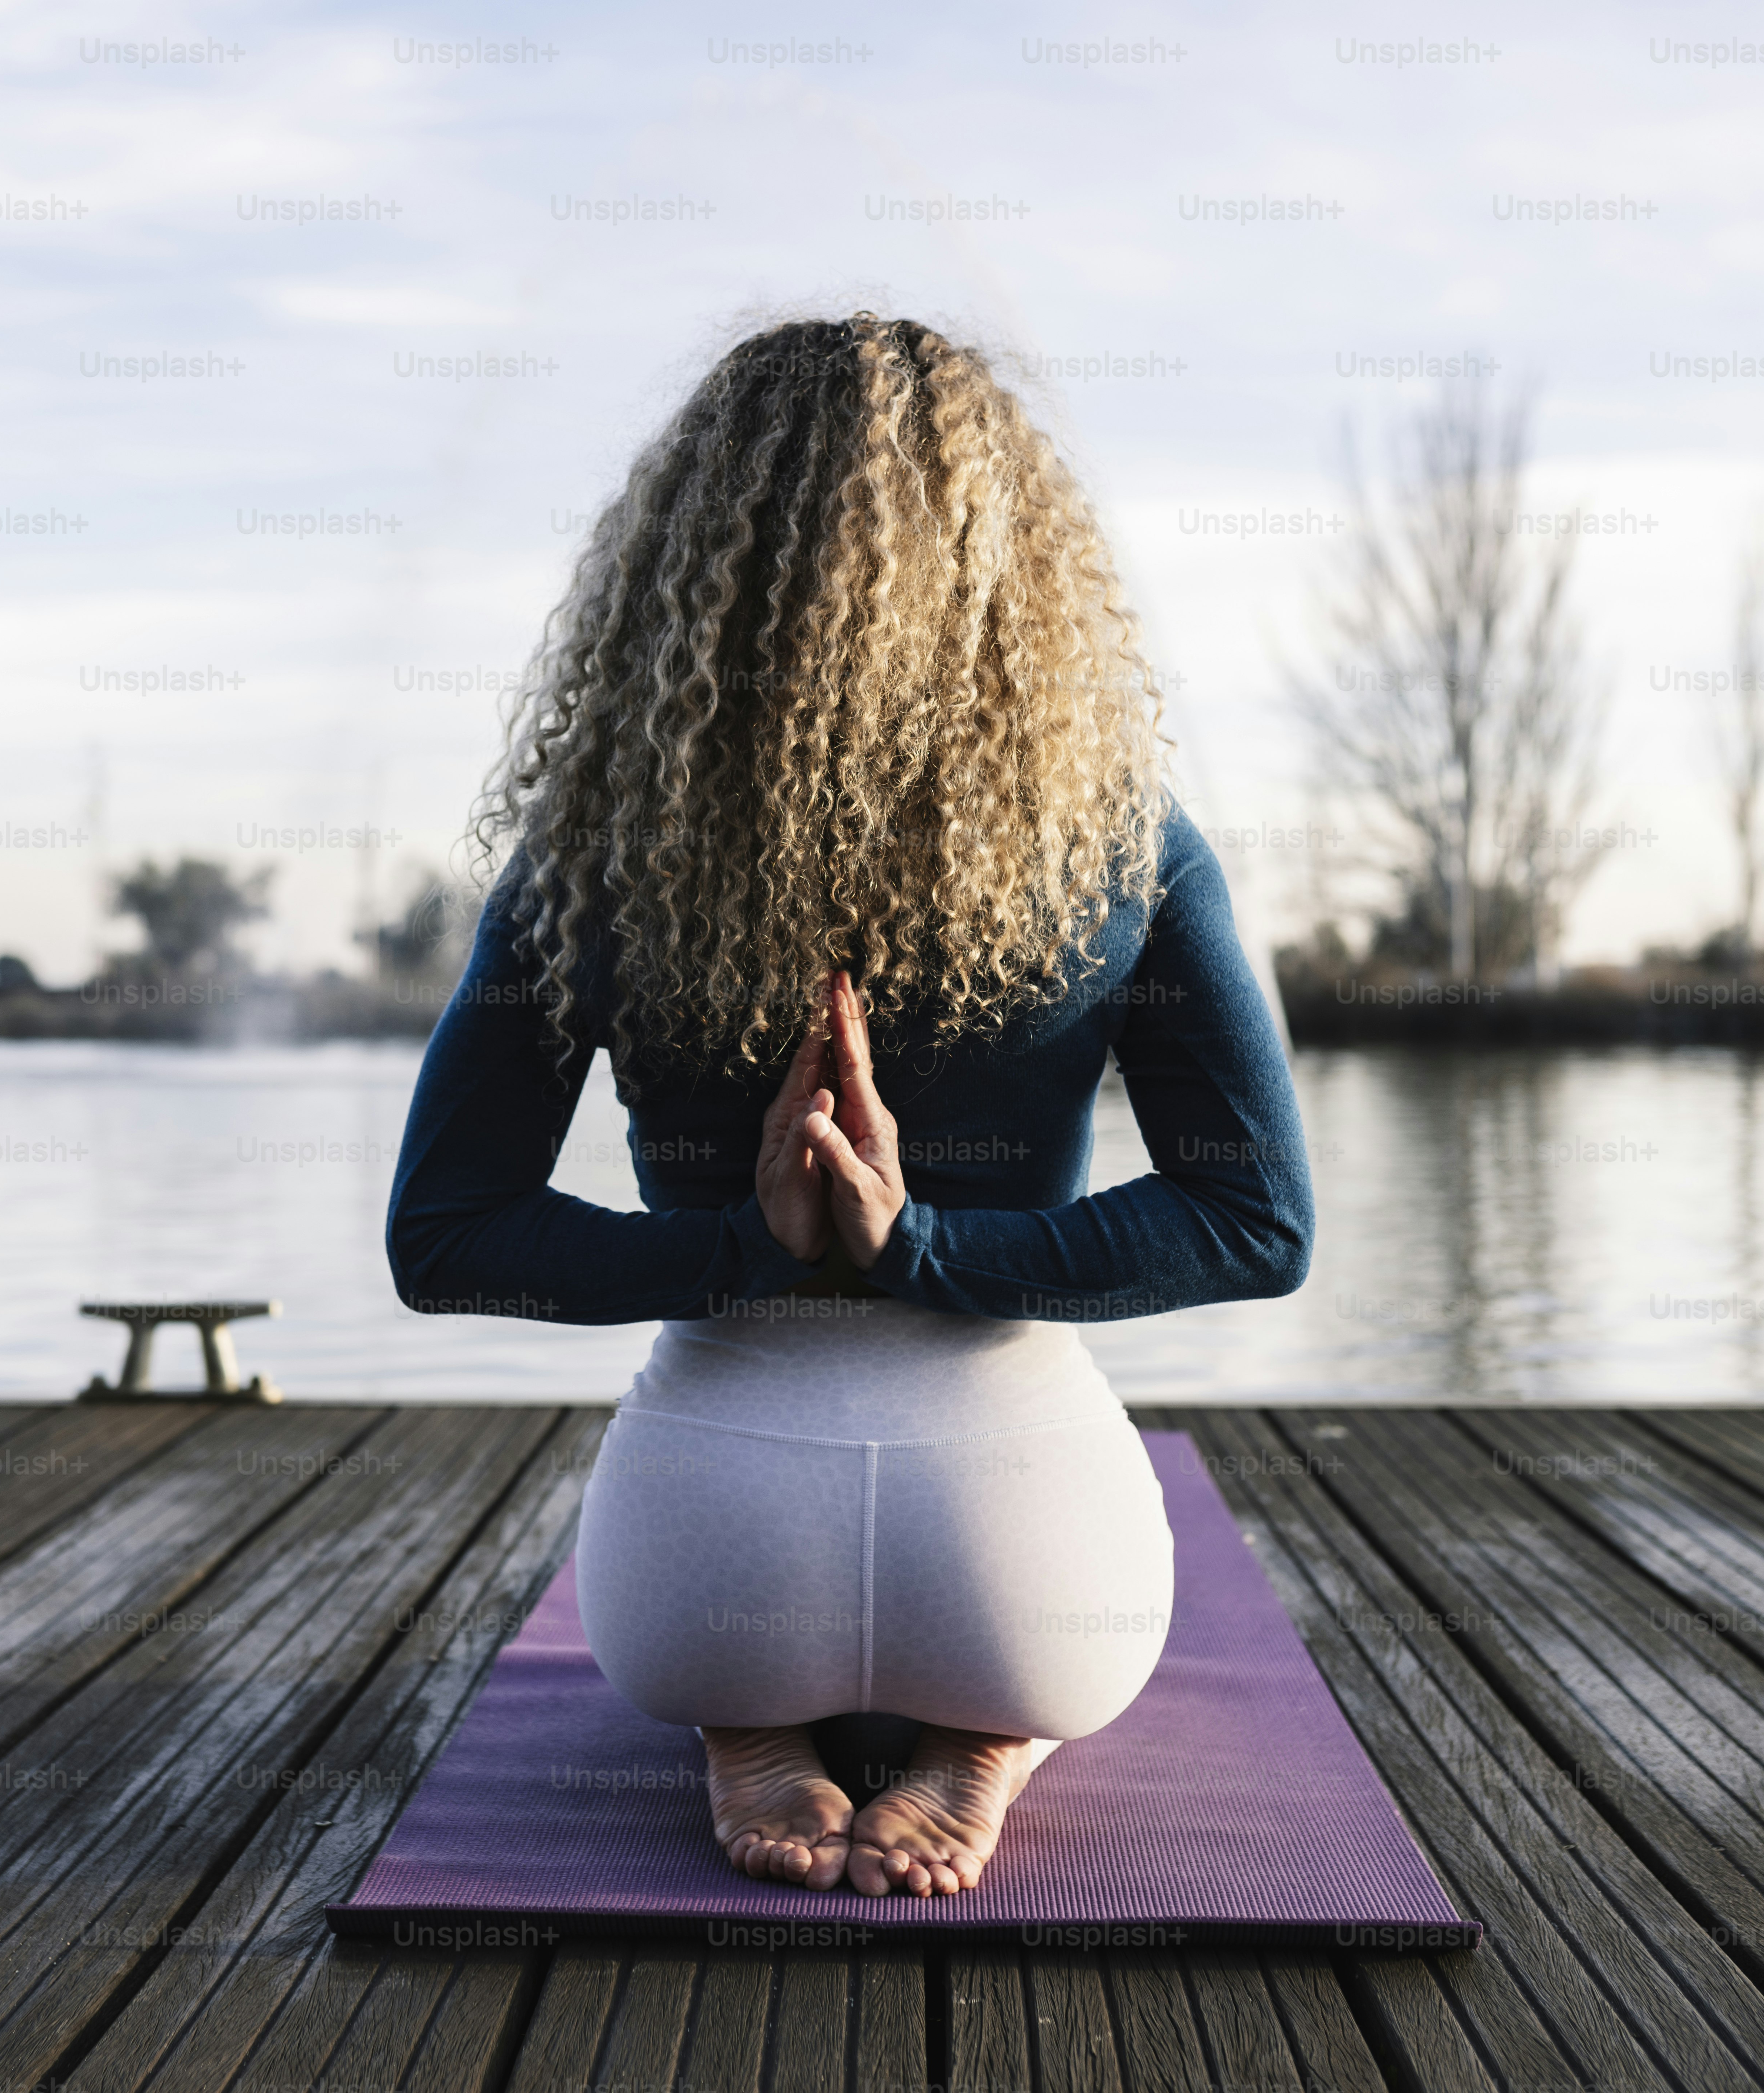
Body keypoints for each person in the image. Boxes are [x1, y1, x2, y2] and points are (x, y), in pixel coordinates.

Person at [387, 315, 1313, 1897]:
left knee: (718, 1625)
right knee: (1052, 1623)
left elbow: (446, 1241)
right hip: (1026, 1565)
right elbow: (1253, 1225)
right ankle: (990, 1733)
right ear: (1016, 567)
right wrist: (926, 1250)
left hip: (704, 1565)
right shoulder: (1121, 847)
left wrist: (742, 1251)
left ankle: (746, 1727)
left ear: (686, 570)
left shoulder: (589, 866)